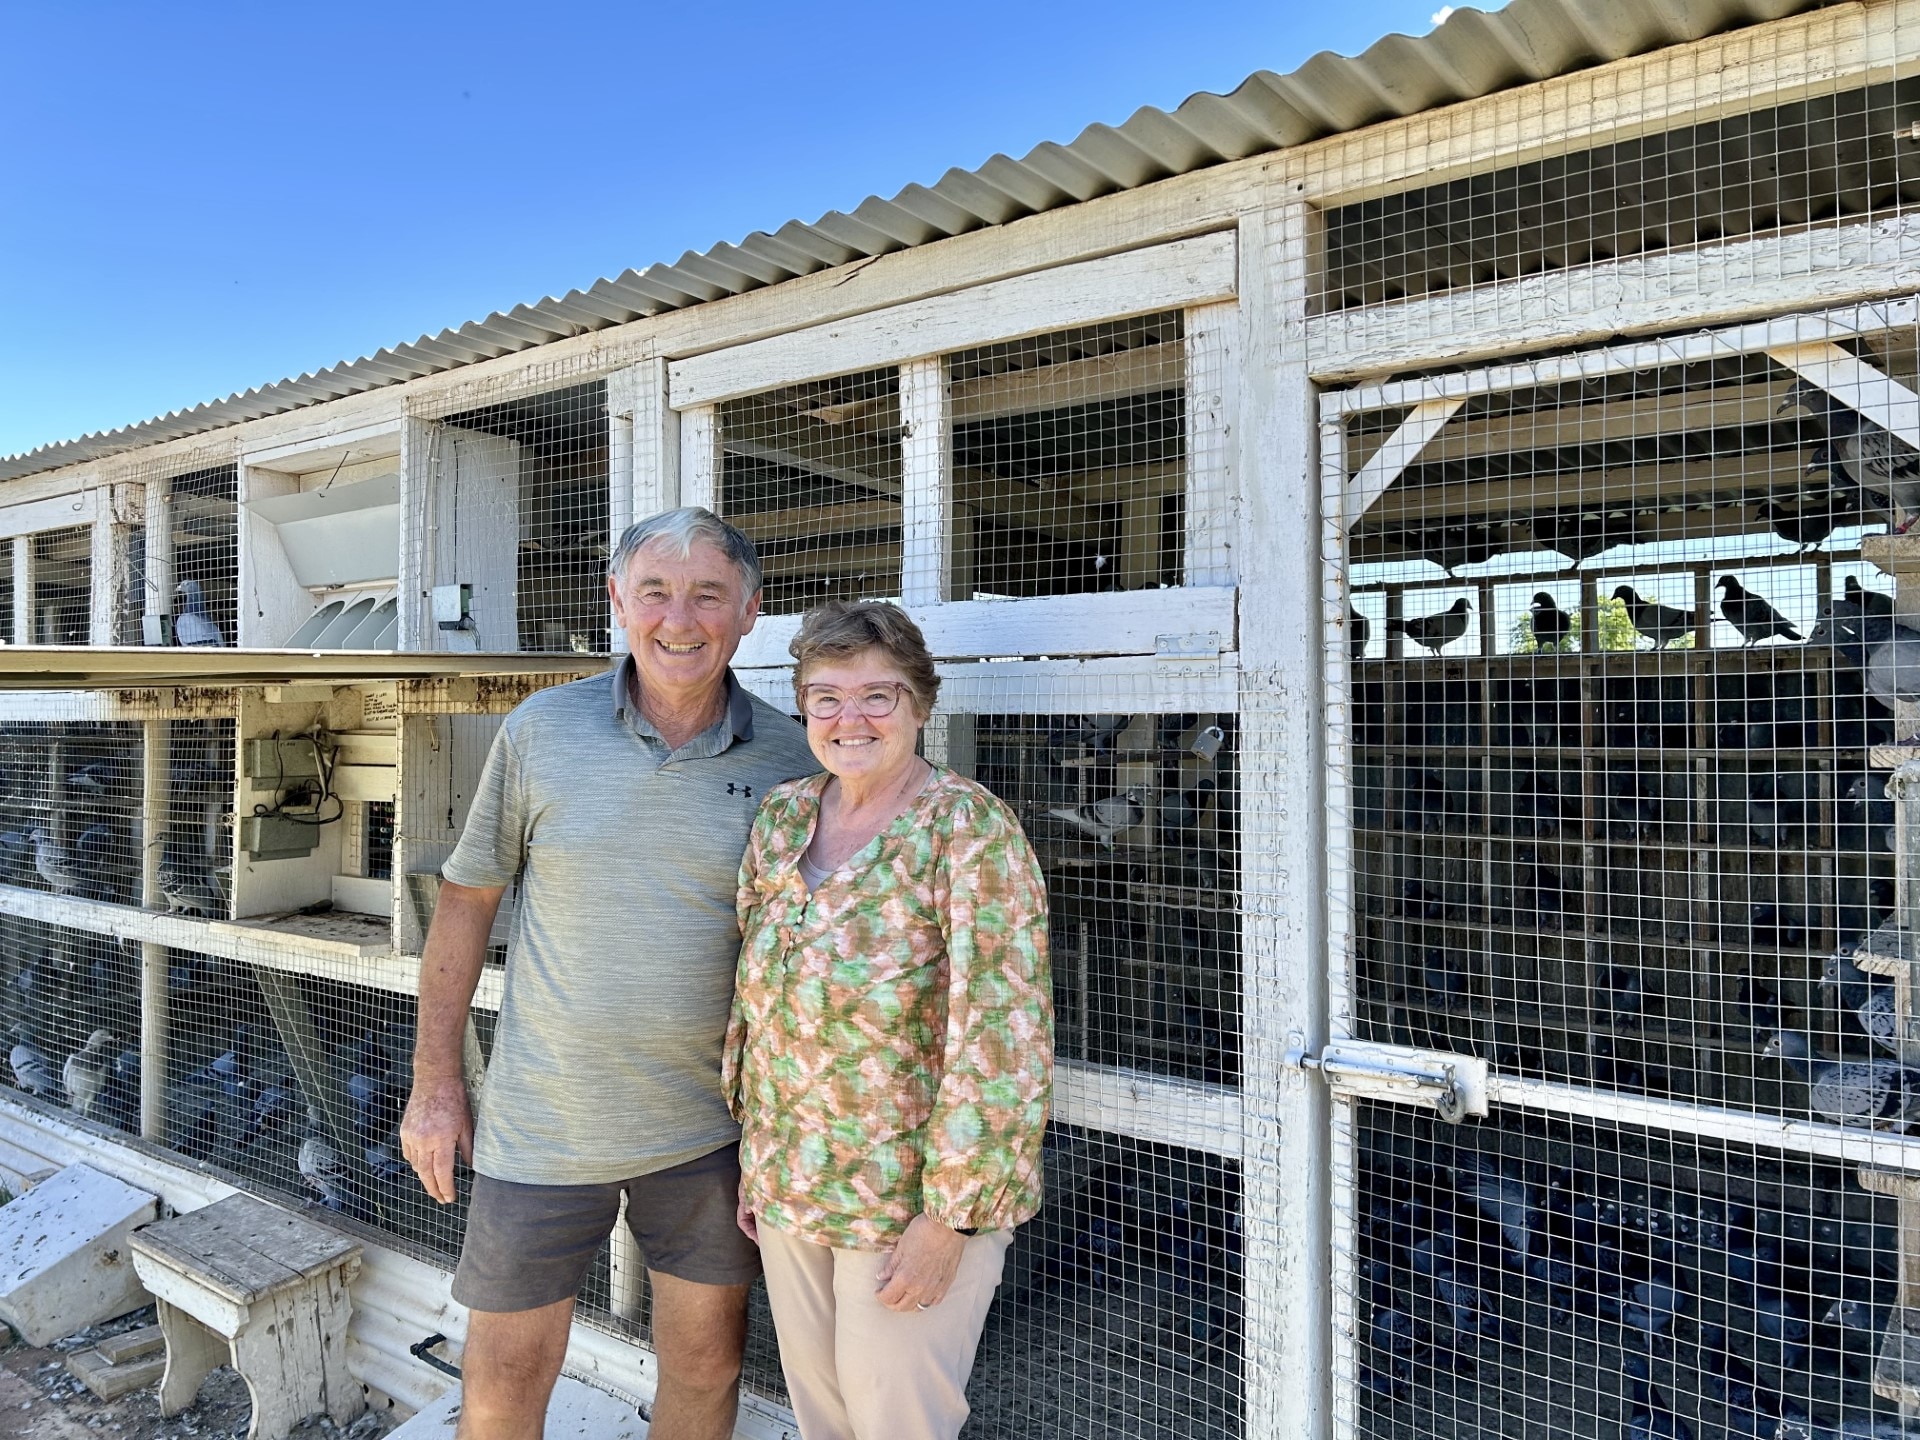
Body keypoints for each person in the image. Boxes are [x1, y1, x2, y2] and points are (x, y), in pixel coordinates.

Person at [400, 507, 818, 1440]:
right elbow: (465, 906)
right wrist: (435, 1086)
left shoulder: (798, 758)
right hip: (545, 1121)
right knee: (505, 1373)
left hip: (710, 1126)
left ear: (751, 611)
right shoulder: (541, 732)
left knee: (708, 1366)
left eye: (709, 593)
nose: (681, 617)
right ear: (617, 601)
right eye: (657, 592)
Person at [724, 600, 1053, 1440]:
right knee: (823, 1417)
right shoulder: (785, 817)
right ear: (802, 708)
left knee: (896, 1422)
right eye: (826, 697)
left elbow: (1004, 1034)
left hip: (907, 1204)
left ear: (920, 705)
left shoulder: (967, 829)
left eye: (879, 695)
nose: (851, 718)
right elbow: (758, 996)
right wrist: (762, 1159)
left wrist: (953, 1218)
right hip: (793, 1182)